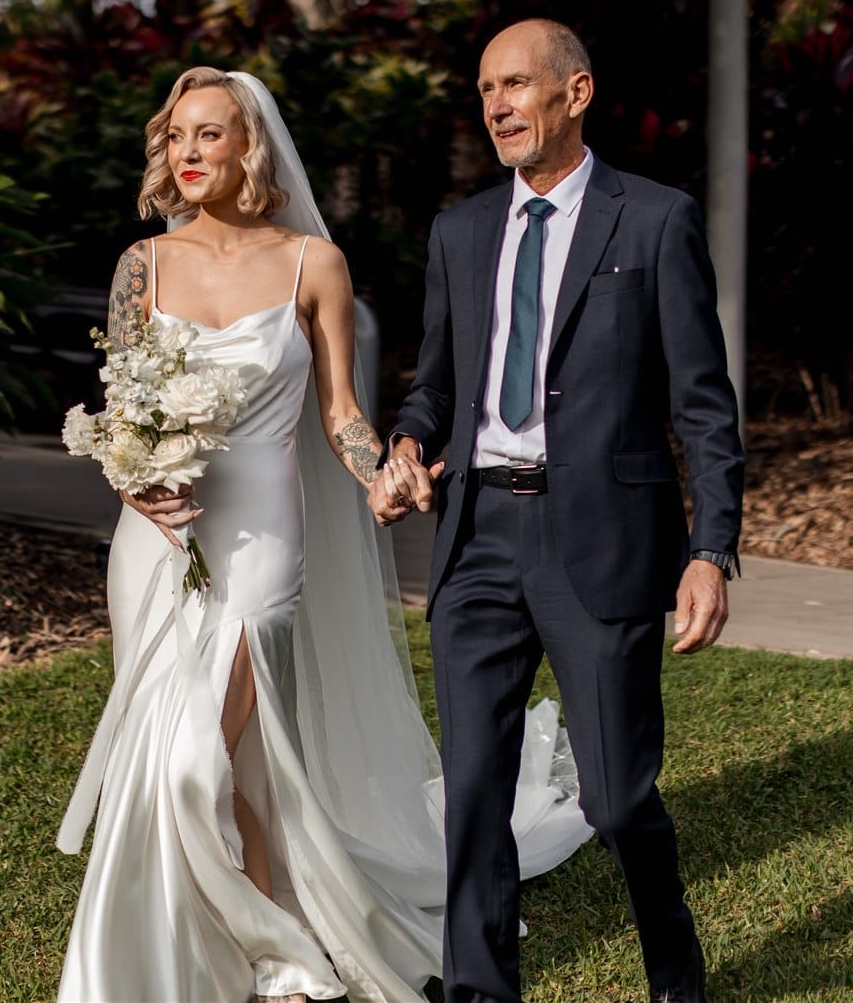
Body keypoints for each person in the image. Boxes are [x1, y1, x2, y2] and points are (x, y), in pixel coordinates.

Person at [57, 67, 593, 1003]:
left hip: (264, 535)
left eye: (211, 135)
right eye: (177, 136)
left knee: (190, 756)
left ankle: (260, 941)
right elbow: (121, 409)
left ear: (250, 146)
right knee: (238, 755)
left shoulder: (315, 263)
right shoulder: (142, 265)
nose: (189, 153)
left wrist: (383, 465)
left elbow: (343, 413)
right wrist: (132, 484)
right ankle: (271, 948)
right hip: (157, 539)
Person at [371, 19, 743, 1003]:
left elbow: (702, 405)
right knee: (474, 798)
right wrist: (405, 446)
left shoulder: (652, 221)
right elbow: (433, 384)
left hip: (602, 543)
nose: (495, 106)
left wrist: (710, 548)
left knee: (617, 799)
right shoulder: (458, 232)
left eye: (515, 85)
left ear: (574, 94)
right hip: (476, 539)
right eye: (485, 89)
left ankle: (673, 970)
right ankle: (480, 990)